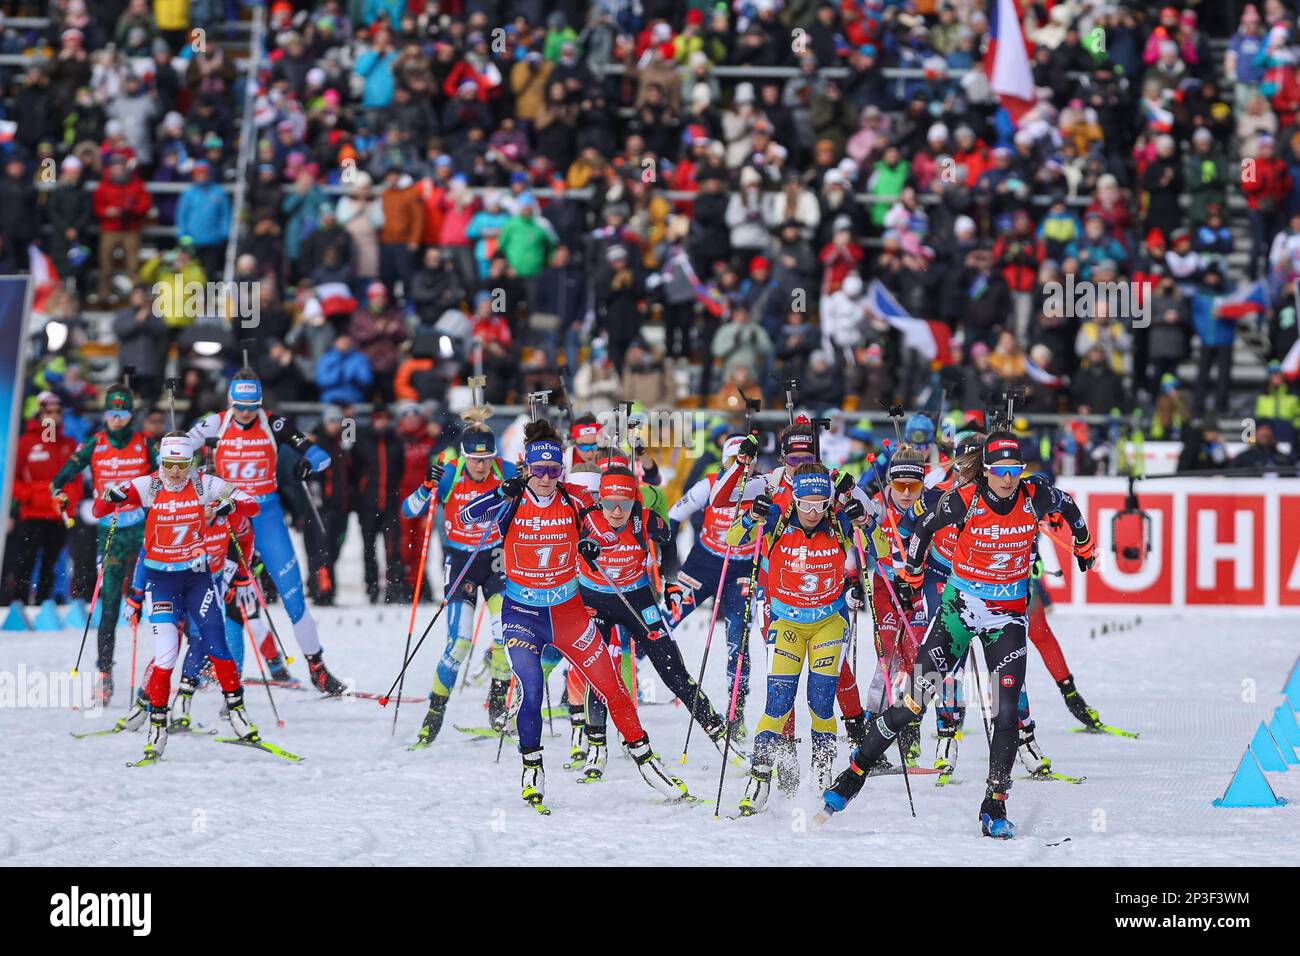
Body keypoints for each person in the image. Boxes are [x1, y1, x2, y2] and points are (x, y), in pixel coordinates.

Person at [820, 432, 1095, 839]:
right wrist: (913, 572)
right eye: (1000, 471)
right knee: (914, 702)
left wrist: (1085, 544)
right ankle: (854, 774)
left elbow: (1069, 506)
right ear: (985, 470)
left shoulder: (1034, 493)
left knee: (1005, 711)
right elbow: (924, 527)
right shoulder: (963, 500)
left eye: (1014, 470)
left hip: (1007, 618)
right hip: (959, 615)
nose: (1008, 478)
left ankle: (995, 803)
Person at [460, 418, 689, 810]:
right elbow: (468, 517)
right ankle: (532, 767)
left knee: (612, 684)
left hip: (568, 612)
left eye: (553, 470)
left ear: (561, 470)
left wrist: (591, 544)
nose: (546, 478)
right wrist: (501, 490)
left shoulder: (576, 497)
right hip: (523, 613)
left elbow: (608, 532)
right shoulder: (512, 499)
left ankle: (647, 762)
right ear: (527, 467)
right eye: (539, 470)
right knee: (532, 686)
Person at [93, 432, 264, 765]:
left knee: (216, 644)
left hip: (198, 579)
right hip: (163, 581)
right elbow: (101, 509)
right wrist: (110, 495)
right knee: (165, 656)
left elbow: (253, 504)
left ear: (192, 463)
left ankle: (238, 711)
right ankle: (157, 726)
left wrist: (233, 503)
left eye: (182, 465)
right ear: (161, 463)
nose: (175, 473)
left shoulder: (204, 485)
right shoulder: (149, 485)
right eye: (169, 465)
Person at [186, 370, 346, 693]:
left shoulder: (274, 424)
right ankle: (219, 671)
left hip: (266, 516)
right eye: (241, 406)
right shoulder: (216, 423)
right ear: (231, 401)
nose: (246, 413)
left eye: (252, 406)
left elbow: (322, 456)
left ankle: (317, 666)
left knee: (293, 596)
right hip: (228, 518)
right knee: (222, 598)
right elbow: (176, 448)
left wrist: (307, 464)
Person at [574, 465, 732, 780]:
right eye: (609, 503)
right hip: (595, 602)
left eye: (625, 503)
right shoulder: (585, 521)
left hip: (637, 599)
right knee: (601, 670)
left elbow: (668, 539)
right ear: (599, 500)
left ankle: (719, 734)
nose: (617, 511)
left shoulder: (643, 519)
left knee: (673, 669)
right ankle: (596, 747)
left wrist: (670, 579)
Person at [727, 462, 860, 814]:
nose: (813, 512)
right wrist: (749, 518)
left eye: (821, 504)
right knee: (778, 704)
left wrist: (865, 519)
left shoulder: (839, 522)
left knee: (820, 703)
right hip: (786, 624)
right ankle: (759, 778)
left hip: (828, 624)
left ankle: (821, 771)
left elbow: (880, 543)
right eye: (806, 503)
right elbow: (730, 540)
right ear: (795, 499)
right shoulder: (776, 518)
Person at [402, 409, 517, 748]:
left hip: (495, 559)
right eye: (474, 460)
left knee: (504, 637)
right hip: (461, 560)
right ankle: (434, 712)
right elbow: (409, 510)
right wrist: (426, 487)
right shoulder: (451, 475)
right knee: (460, 643)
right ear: (464, 456)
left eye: (486, 459)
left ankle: (497, 705)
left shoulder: (504, 472)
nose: (481, 467)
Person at [48, 385, 157, 703]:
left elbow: (171, 471)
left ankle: (165, 672)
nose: (117, 419)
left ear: (130, 414)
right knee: (108, 603)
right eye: (112, 413)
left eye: (123, 413)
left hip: (142, 529)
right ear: (105, 413)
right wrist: (59, 492)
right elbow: (61, 477)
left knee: (160, 597)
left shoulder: (144, 444)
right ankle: (105, 673)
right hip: (110, 532)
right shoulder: (95, 444)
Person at [666, 435, 756, 736]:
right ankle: (636, 678)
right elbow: (675, 515)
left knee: (738, 640)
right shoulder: (709, 483)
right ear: (724, 462)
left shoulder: (761, 488)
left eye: (746, 462)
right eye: (734, 461)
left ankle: (736, 712)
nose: (740, 468)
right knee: (663, 619)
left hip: (741, 570)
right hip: (703, 565)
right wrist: (670, 563)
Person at [9, 393, 81, 609]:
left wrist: (66, 501)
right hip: (31, 514)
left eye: (58, 412)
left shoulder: (68, 443)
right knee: (25, 561)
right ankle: (18, 604)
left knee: (51, 563)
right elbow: (12, 476)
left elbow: (74, 478)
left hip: (56, 515)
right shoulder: (25, 442)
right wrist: (28, 495)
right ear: (40, 413)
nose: (54, 416)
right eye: (49, 412)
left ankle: (42, 605)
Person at [351, 404, 406, 604]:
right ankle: (372, 587)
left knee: (393, 548)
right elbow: (354, 471)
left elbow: (400, 469)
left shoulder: (395, 441)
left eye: (385, 418)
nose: (382, 422)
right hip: (368, 504)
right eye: (378, 418)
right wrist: (359, 497)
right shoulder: (362, 440)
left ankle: (394, 587)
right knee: (369, 548)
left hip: (390, 503)